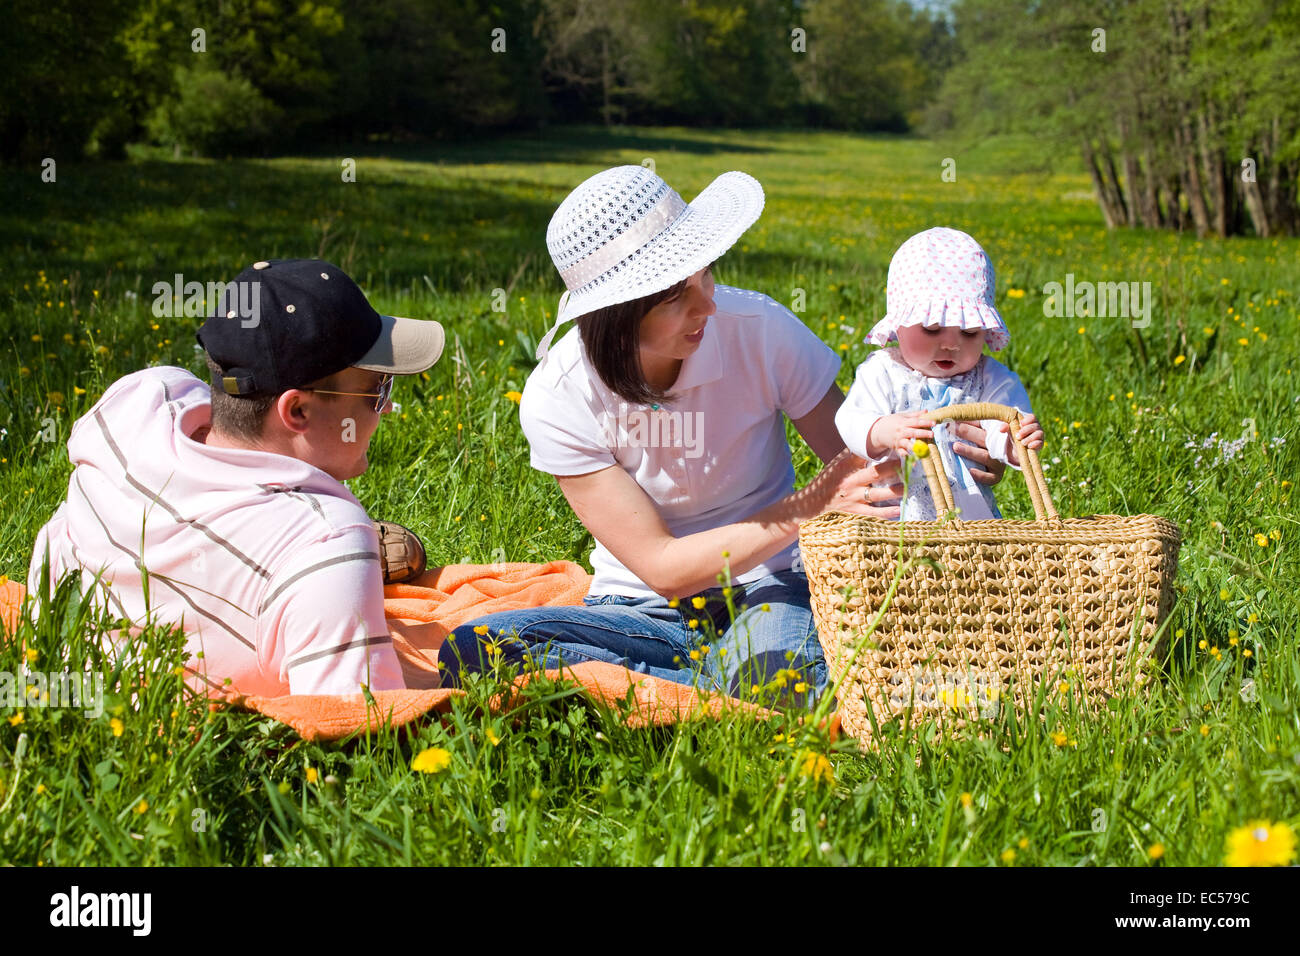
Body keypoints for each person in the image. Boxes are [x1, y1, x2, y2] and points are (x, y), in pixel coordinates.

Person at [441, 167, 1008, 704]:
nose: (708, 302)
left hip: (774, 585)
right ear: (616, 313)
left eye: (705, 274)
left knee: (769, 673)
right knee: (475, 651)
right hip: (641, 606)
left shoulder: (759, 329)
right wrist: (810, 506)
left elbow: (861, 463)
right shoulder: (559, 394)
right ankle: (716, 684)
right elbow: (662, 568)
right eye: (675, 296)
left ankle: (668, 687)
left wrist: (956, 465)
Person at [27, 258, 445, 697]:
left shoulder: (139, 403)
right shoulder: (327, 540)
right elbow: (363, 724)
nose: (388, 408)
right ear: (297, 410)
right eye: (376, 390)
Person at [835, 227, 1045, 521]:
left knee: (970, 562)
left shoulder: (988, 377)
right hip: (895, 515)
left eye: (970, 332)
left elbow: (1003, 423)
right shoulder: (883, 371)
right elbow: (850, 419)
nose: (950, 344)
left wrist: (1013, 443)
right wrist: (883, 430)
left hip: (969, 517)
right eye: (931, 329)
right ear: (899, 324)